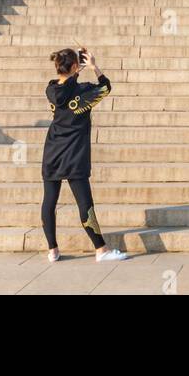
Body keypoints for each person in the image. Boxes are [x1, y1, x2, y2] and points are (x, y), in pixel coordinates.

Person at [41, 47, 129, 263]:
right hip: (74, 154)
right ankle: (101, 249)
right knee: (85, 204)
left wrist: (75, 71)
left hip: (52, 151)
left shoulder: (51, 90)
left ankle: (52, 250)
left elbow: (65, 87)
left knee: (49, 202)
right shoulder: (84, 92)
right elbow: (105, 88)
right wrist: (93, 66)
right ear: (74, 66)